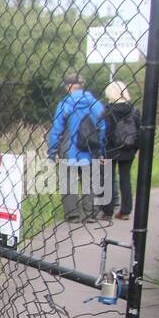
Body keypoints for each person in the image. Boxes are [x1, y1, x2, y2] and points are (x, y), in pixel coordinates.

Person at [48, 74, 106, 220]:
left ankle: (72, 214)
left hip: (69, 150)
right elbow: (103, 129)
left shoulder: (64, 104)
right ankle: (90, 213)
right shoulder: (96, 104)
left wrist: (52, 152)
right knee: (90, 180)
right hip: (90, 149)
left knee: (68, 180)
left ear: (68, 87)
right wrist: (101, 151)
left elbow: (56, 130)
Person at [102, 80, 140, 221]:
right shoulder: (134, 111)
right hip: (128, 150)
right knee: (125, 179)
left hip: (110, 150)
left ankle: (107, 211)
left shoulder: (107, 112)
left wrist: (102, 150)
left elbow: (104, 133)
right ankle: (125, 211)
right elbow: (139, 131)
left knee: (108, 179)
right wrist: (136, 148)